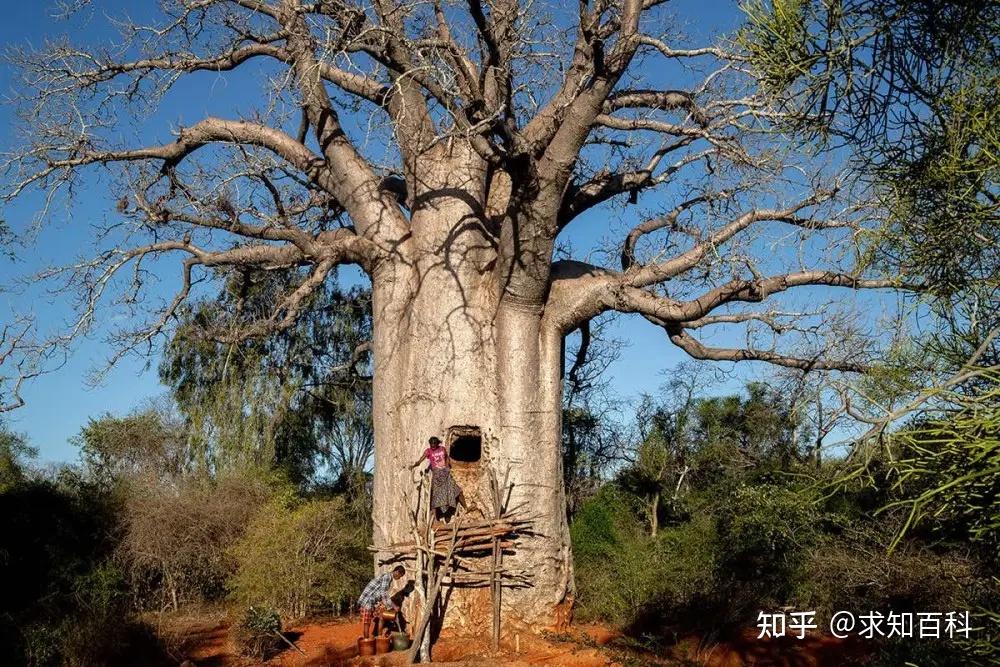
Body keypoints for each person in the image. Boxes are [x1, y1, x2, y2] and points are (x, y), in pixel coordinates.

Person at [410, 436, 469, 521]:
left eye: (434, 444)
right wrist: (415, 465)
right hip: (437, 475)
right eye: (431, 444)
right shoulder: (428, 451)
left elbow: (447, 457)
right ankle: (436, 519)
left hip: (445, 474)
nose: (432, 445)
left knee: (457, 491)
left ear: (437, 443)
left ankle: (466, 508)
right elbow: (420, 460)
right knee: (436, 497)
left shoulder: (442, 449)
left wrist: (448, 466)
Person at [358, 565, 406, 639]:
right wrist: (394, 606)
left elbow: (380, 593)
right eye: (400, 576)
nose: (399, 578)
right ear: (396, 572)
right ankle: (366, 642)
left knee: (381, 616)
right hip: (368, 600)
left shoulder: (388, 577)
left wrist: (384, 604)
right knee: (367, 622)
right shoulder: (387, 577)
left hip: (372, 601)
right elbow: (384, 594)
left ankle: (379, 637)